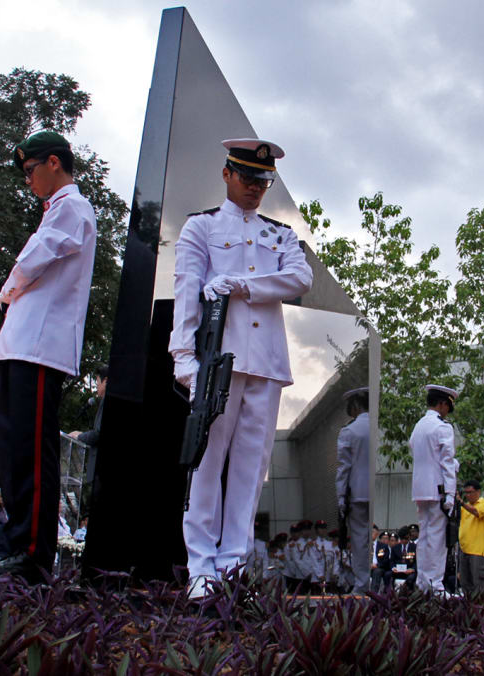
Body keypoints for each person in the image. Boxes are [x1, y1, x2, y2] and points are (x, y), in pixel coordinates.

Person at [169, 138, 313, 598]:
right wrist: (184, 358)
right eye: (249, 178)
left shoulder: (281, 233)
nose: (256, 188)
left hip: (267, 364)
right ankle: (200, 566)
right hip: (218, 362)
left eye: (263, 181)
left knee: (251, 471)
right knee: (207, 465)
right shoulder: (202, 228)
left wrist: (244, 285)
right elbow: (187, 290)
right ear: (227, 173)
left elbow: (300, 278)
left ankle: (233, 565)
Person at [0, 130, 98, 583]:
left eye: (30, 170)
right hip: (21, 344)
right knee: (15, 449)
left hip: (40, 347)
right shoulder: (57, 210)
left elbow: (42, 252)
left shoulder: (72, 206)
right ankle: (19, 544)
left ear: (54, 162)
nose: (28, 180)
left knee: (33, 451)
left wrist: (10, 285)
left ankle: (33, 551)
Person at [410, 385, 459, 595]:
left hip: (420, 489)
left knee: (424, 537)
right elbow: (446, 462)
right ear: (441, 404)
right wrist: (450, 493)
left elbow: (416, 450)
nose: (447, 411)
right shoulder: (442, 427)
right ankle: (435, 585)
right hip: (438, 489)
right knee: (437, 540)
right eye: (447, 406)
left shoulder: (419, 425)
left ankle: (423, 582)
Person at [335, 386, 371, 594]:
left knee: (359, 541)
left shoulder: (349, 431)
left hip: (356, 492)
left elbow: (343, 468)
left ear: (356, 405)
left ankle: (362, 585)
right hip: (374, 491)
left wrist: (341, 497)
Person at [458, 479, 484, 596]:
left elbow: (477, 512)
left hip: (477, 551)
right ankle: (468, 610)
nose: (468, 495)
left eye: (470, 492)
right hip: (464, 549)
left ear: (478, 492)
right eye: (466, 493)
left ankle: (479, 610)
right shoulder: (464, 507)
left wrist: (461, 502)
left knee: (477, 582)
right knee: (465, 582)